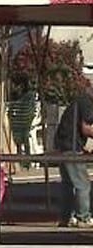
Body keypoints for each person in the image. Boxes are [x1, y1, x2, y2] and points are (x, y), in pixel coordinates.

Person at [55, 89, 93, 228]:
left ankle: (66, 217)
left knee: (68, 185)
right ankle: (83, 217)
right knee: (83, 184)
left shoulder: (80, 100)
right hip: (71, 147)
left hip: (64, 146)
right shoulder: (87, 103)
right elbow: (86, 128)